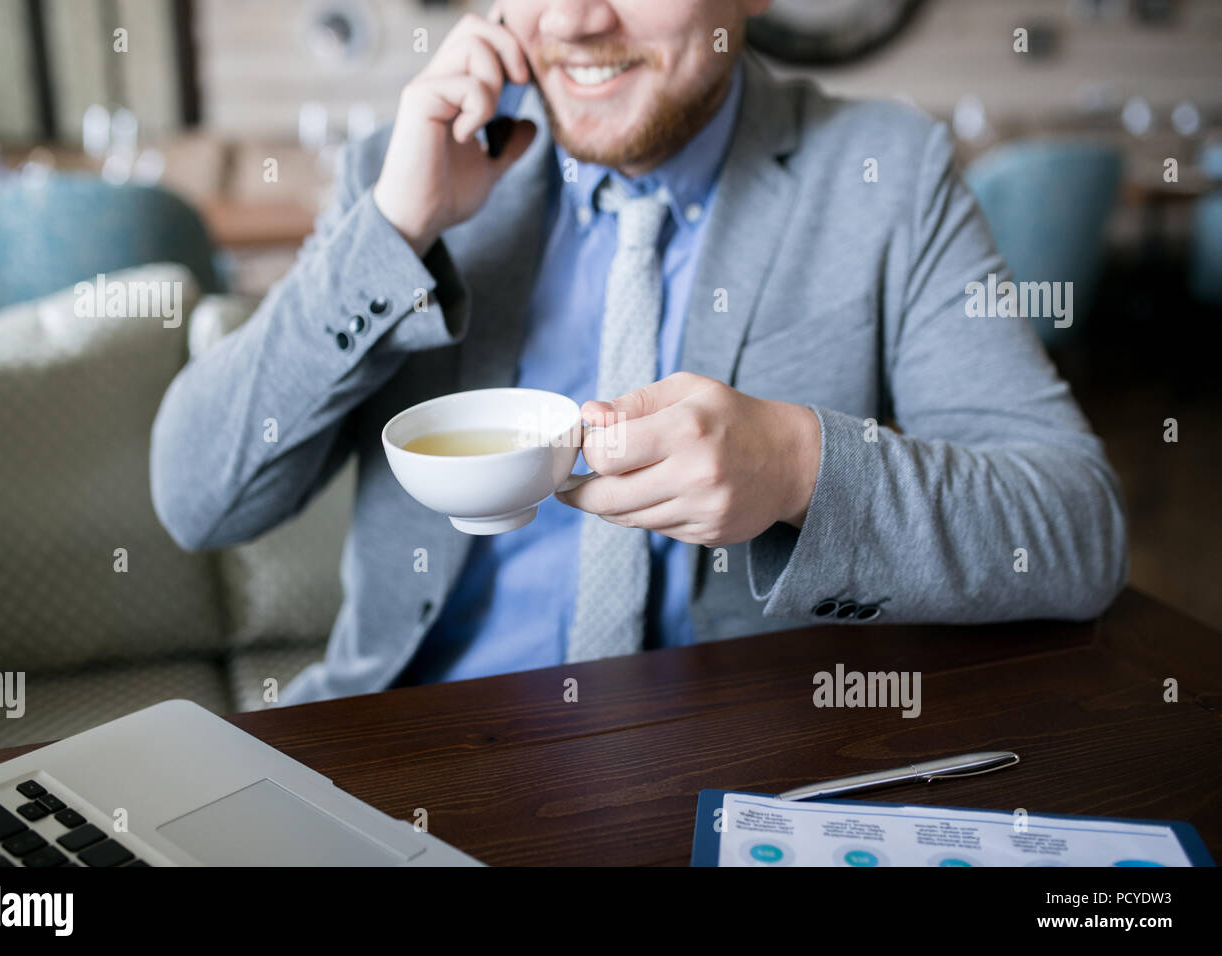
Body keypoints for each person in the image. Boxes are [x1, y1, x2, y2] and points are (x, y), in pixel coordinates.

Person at [150, 0, 1128, 705]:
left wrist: (799, 466)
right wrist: (396, 228)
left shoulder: (886, 175)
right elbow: (198, 496)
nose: (573, 19)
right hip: (412, 754)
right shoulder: (400, 171)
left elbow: (1076, 531)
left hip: (734, 776)